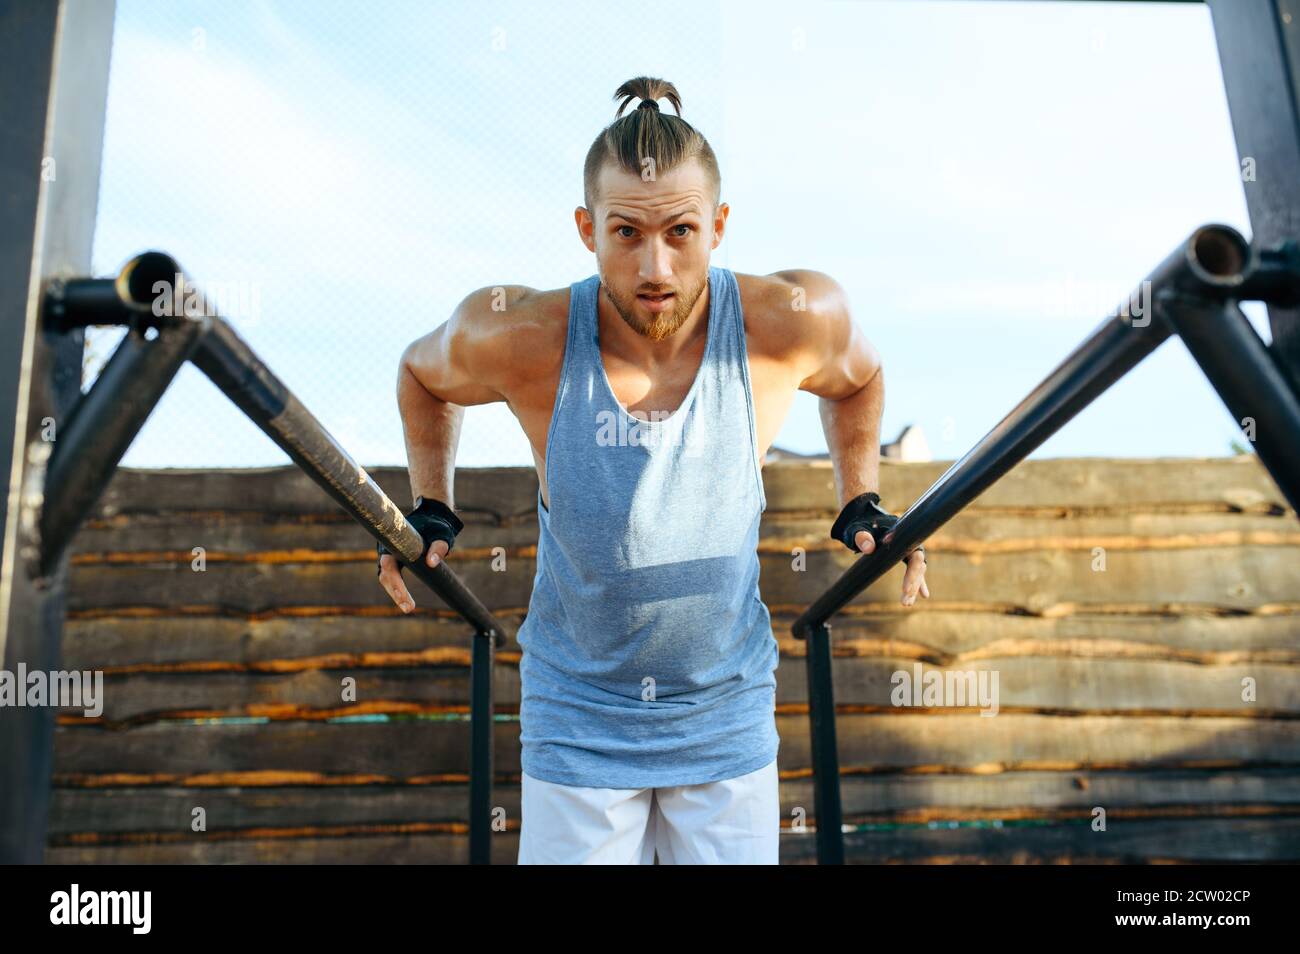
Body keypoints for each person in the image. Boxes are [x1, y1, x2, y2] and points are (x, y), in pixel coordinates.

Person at [377, 75, 930, 864]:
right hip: (578, 717)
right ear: (586, 230)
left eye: (681, 231)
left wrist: (862, 497)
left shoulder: (785, 324)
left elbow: (861, 377)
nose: (656, 266)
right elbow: (421, 374)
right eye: (627, 233)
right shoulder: (522, 334)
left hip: (724, 717)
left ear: (719, 226)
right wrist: (430, 507)